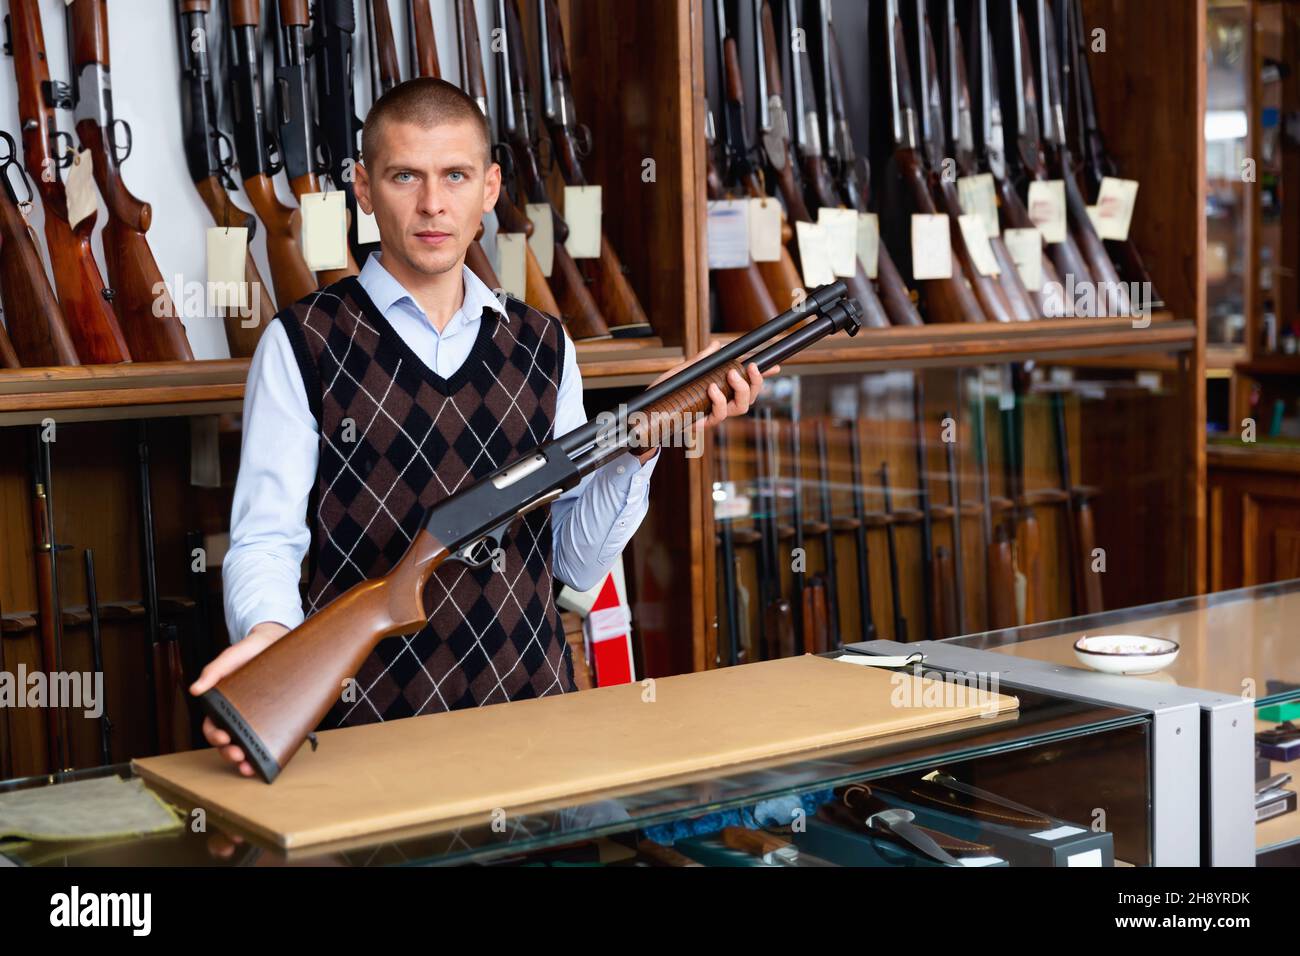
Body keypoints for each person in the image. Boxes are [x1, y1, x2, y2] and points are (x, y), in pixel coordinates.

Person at [190, 78, 778, 776]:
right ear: (363, 187)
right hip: (364, 744)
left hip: (534, 730)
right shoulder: (303, 342)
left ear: (491, 188)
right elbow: (267, 537)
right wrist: (268, 638)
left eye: (456, 176)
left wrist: (639, 445)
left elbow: (572, 564)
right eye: (405, 175)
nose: (433, 204)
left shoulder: (542, 343)